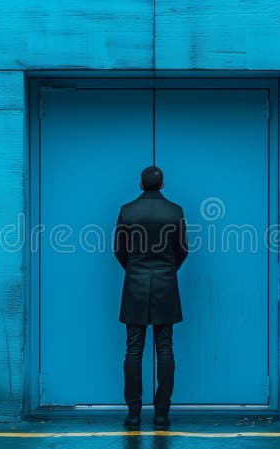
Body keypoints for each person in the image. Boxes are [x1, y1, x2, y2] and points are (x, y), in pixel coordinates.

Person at [114, 166, 188, 429]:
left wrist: (135, 270)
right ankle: (161, 414)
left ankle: (133, 414)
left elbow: (119, 250)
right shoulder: (175, 211)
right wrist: (167, 270)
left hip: (134, 285)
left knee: (133, 349)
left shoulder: (127, 211)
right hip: (166, 285)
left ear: (140, 184)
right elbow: (182, 250)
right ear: (163, 184)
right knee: (165, 348)